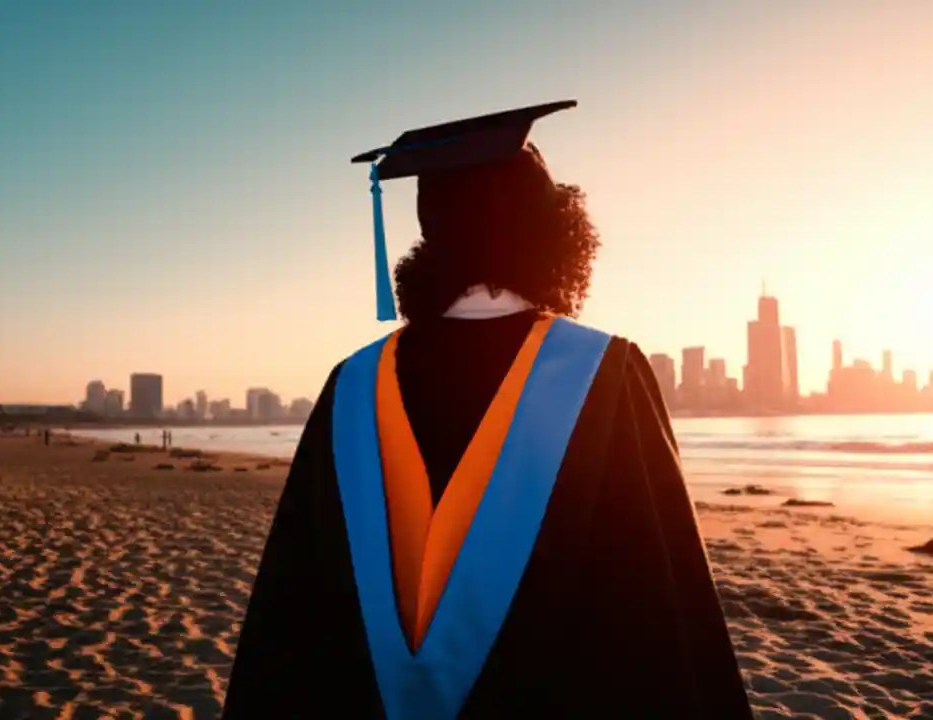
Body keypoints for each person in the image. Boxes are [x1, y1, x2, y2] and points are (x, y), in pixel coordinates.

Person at [223, 101, 752, 719]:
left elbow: (294, 613)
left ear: (431, 230)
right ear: (551, 230)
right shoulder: (603, 375)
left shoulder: (352, 385)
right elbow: (655, 605)